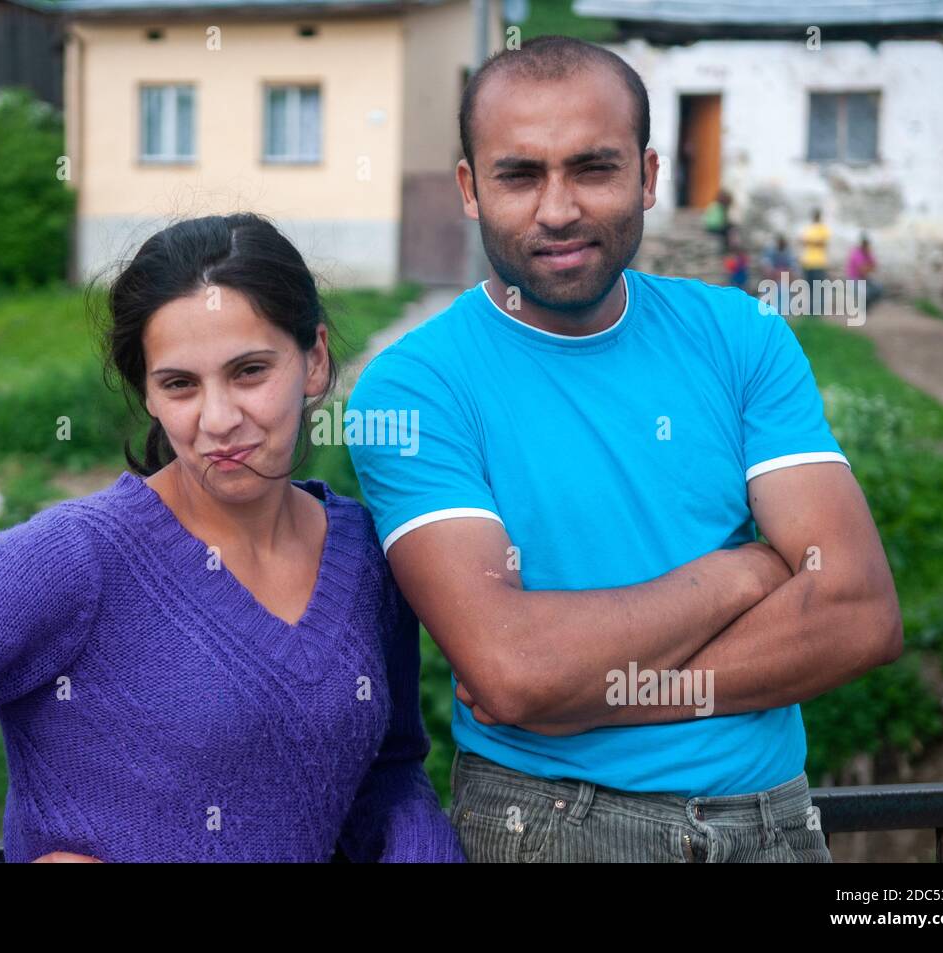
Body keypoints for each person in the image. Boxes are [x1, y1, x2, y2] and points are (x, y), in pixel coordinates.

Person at [0, 213, 464, 864]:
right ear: (147, 394)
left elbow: (388, 771)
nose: (219, 418)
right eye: (179, 384)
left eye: (249, 371)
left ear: (313, 360)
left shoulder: (368, 554)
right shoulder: (84, 559)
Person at [347, 36, 902, 863]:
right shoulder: (412, 389)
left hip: (773, 825)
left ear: (647, 175)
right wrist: (742, 572)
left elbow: (858, 614)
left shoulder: (741, 336)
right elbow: (513, 670)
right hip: (549, 825)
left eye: (593, 168)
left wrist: (585, 693)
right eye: (520, 174)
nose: (558, 208)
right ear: (470, 188)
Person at [799, 209, 831, 315]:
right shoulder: (809, 228)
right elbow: (803, 241)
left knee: (818, 288)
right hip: (807, 263)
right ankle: (811, 311)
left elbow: (822, 243)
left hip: (819, 263)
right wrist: (812, 242)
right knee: (809, 288)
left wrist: (810, 242)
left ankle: (818, 311)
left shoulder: (823, 228)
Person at [846, 232, 883, 314]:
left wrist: (867, 267)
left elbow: (874, 267)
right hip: (854, 279)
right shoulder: (856, 253)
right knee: (866, 292)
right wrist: (868, 268)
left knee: (879, 288)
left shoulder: (867, 253)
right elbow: (863, 270)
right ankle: (861, 308)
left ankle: (865, 307)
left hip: (864, 279)